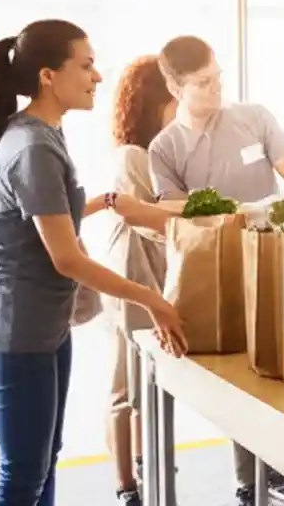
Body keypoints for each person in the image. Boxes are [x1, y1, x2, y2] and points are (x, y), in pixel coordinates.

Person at [0, 19, 189, 506]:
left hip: (42, 326)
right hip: (17, 330)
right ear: (49, 75)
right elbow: (65, 257)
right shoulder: (33, 147)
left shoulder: (41, 134)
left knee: (42, 462)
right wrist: (153, 299)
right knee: (22, 475)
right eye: (86, 65)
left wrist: (104, 201)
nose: (98, 77)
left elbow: (42, 218)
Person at [147, 35, 284, 506]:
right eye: (202, 84)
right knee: (243, 377)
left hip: (279, 260)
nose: (215, 90)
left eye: (217, 79)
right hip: (221, 274)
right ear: (175, 88)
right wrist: (239, 211)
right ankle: (250, 481)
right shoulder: (165, 149)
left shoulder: (254, 118)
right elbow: (174, 217)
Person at [100, 56, 179, 505]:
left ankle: (149, 466)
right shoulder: (133, 156)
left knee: (143, 378)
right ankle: (126, 485)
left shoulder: (154, 153)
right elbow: (147, 219)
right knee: (125, 383)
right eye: (172, 98)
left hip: (148, 270)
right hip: (131, 271)